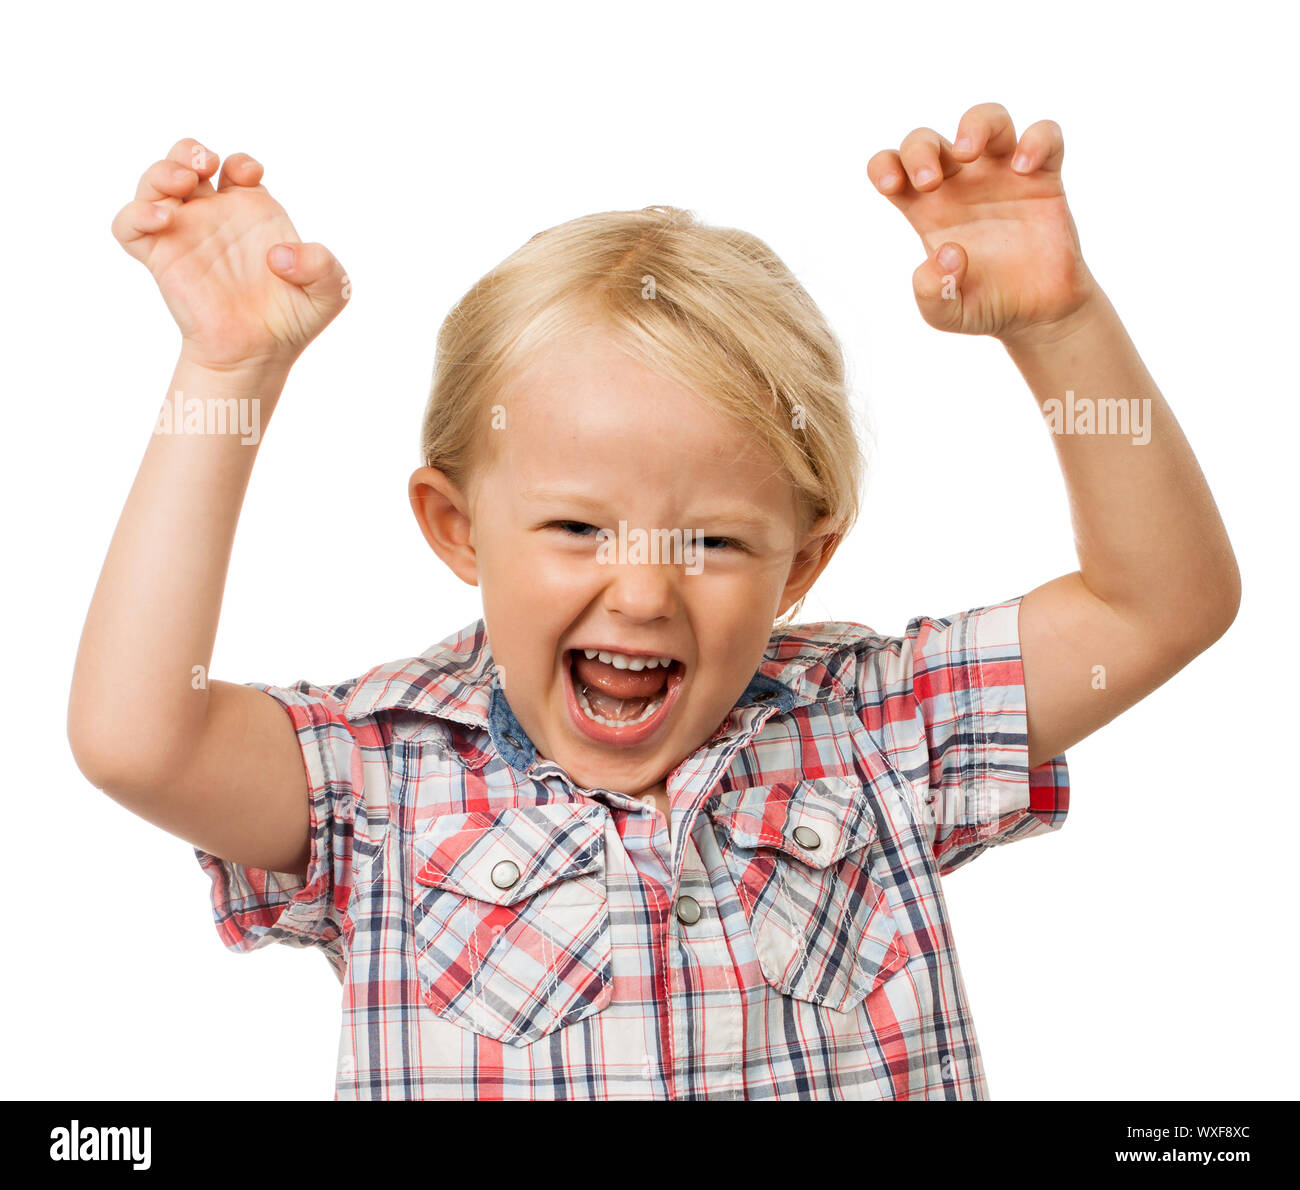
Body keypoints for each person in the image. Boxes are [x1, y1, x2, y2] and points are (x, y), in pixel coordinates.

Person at [68, 102, 1240, 1099]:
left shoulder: (875, 730)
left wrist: (1059, 328)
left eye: (715, 540)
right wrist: (227, 374)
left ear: (801, 566)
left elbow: (1158, 605)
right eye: (577, 527)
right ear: (456, 527)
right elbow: (136, 737)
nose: (641, 590)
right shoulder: (381, 777)